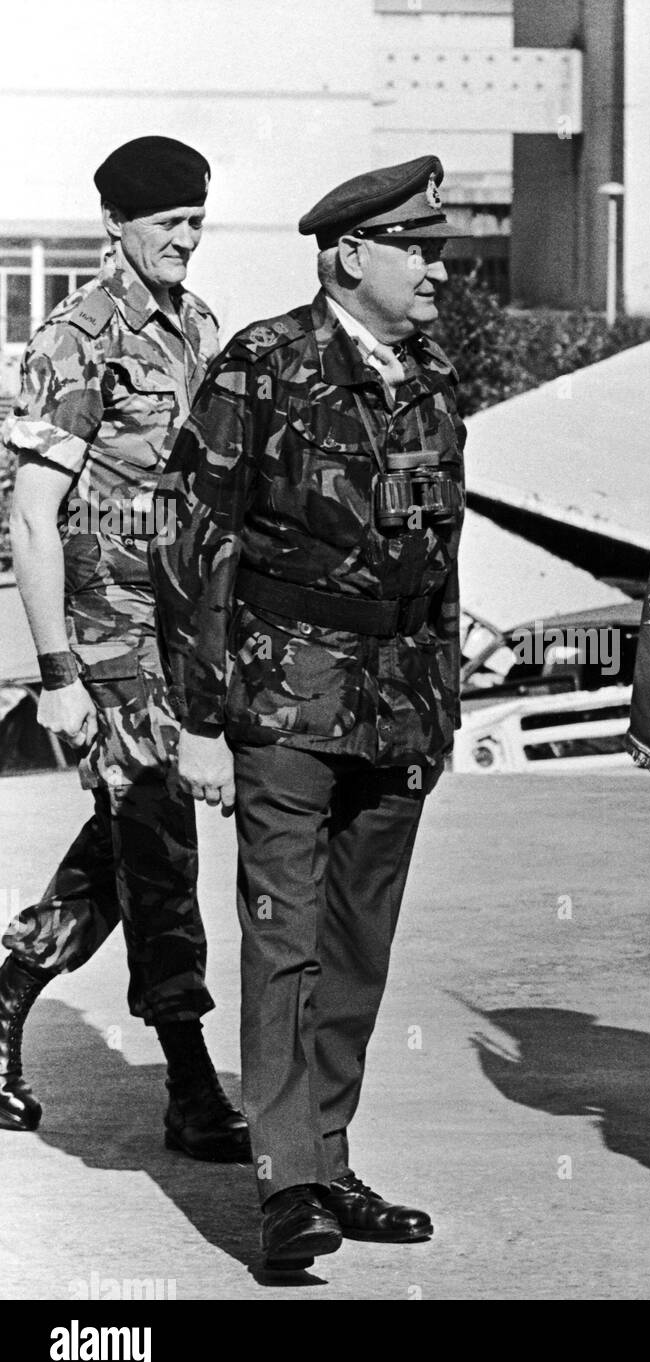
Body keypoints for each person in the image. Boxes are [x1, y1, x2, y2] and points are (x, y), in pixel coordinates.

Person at [150, 155, 466, 1272]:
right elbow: (192, 537)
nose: (437, 264)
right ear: (346, 255)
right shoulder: (265, 364)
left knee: (356, 951)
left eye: (437, 245)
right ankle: (287, 1183)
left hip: (399, 705)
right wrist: (197, 718)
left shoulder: (430, 368)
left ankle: (327, 1158)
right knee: (284, 940)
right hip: (285, 698)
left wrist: (446, 688)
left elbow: (439, 544)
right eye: (415, 247)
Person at [0, 136, 248, 1162]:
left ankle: (11, 982)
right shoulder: (73, 342)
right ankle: (190, 1081)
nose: (183, 239)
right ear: (115, 223)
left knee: (133, 828)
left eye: (194, 221)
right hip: (108, 636)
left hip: (182, 629)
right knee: (159, 831)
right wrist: (56, 673)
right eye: (164, 223)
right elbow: (29, 515)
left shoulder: (198, 328)